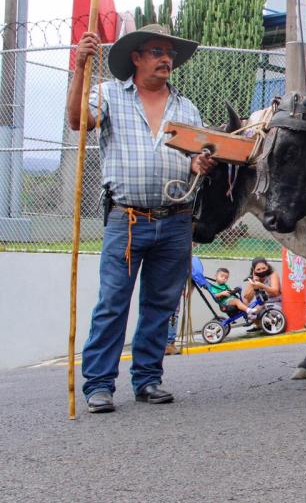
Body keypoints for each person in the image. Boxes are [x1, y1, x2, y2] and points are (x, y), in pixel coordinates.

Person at [68, 24, 214, 413]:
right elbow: (78, 122)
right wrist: (81, 68)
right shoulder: (109, 94)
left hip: (176, 220)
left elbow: (195, 159)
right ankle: (99, 384)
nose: (166, 59)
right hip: (127, 219)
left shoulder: (186, 108)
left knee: (160, 305)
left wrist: (199, 163)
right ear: (136, 57)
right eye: (156, 51)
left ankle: (148, 379)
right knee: (113, 302)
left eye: (169, 54)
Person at [243, 257, 282, 330]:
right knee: (247, 306)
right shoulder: (254, 278)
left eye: (263, 268)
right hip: (262, 303)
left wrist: (262, 286)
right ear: (254, 270)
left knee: (256, 311)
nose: (261, 271)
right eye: (258, 269)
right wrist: (253, 283)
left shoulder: (273, 274)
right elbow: (247, 297)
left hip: (276, 302)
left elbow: (275, 292)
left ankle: (265, 324)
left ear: (267, 266)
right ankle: (259, 326)